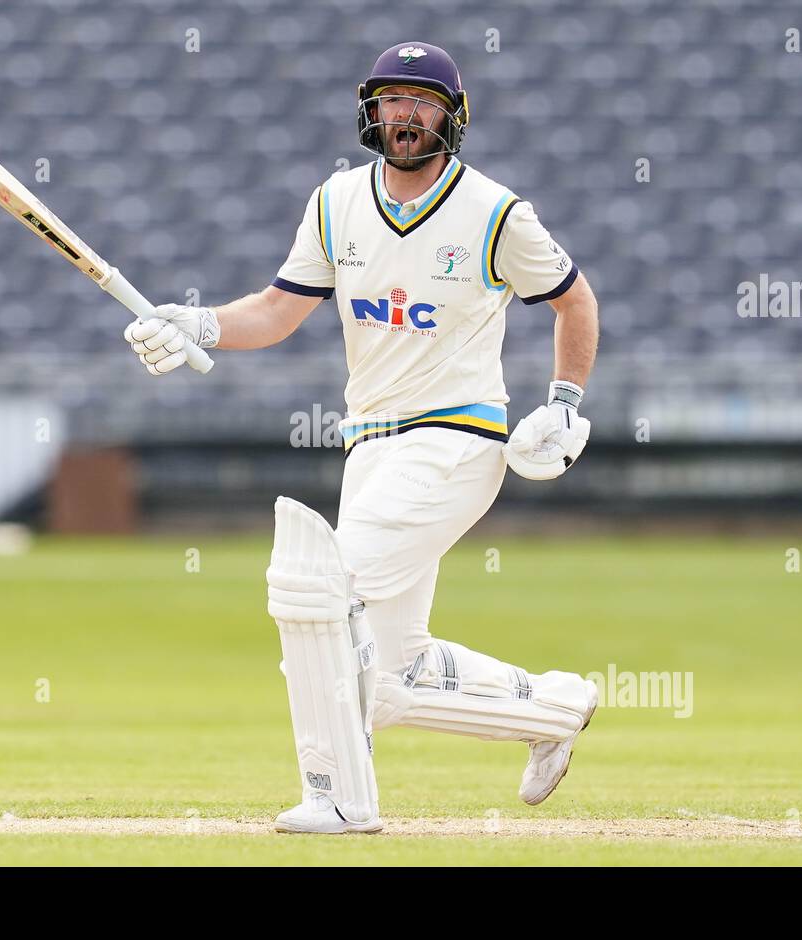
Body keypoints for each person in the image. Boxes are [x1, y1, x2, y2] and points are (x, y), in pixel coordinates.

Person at [127, 41, 600, 834]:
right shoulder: (336, 201)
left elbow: (575, 303)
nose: (404, 115)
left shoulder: (496, 211)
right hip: (369, 445)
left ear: (453, 116)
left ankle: (338, 799)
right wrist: (199, 321)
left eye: (422, 101)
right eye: (390, 100)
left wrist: (563, 404)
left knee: (319, 590)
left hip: (456, 439)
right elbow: (277, 310)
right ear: (369, 112)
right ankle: (554, 708)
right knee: (386, 677)